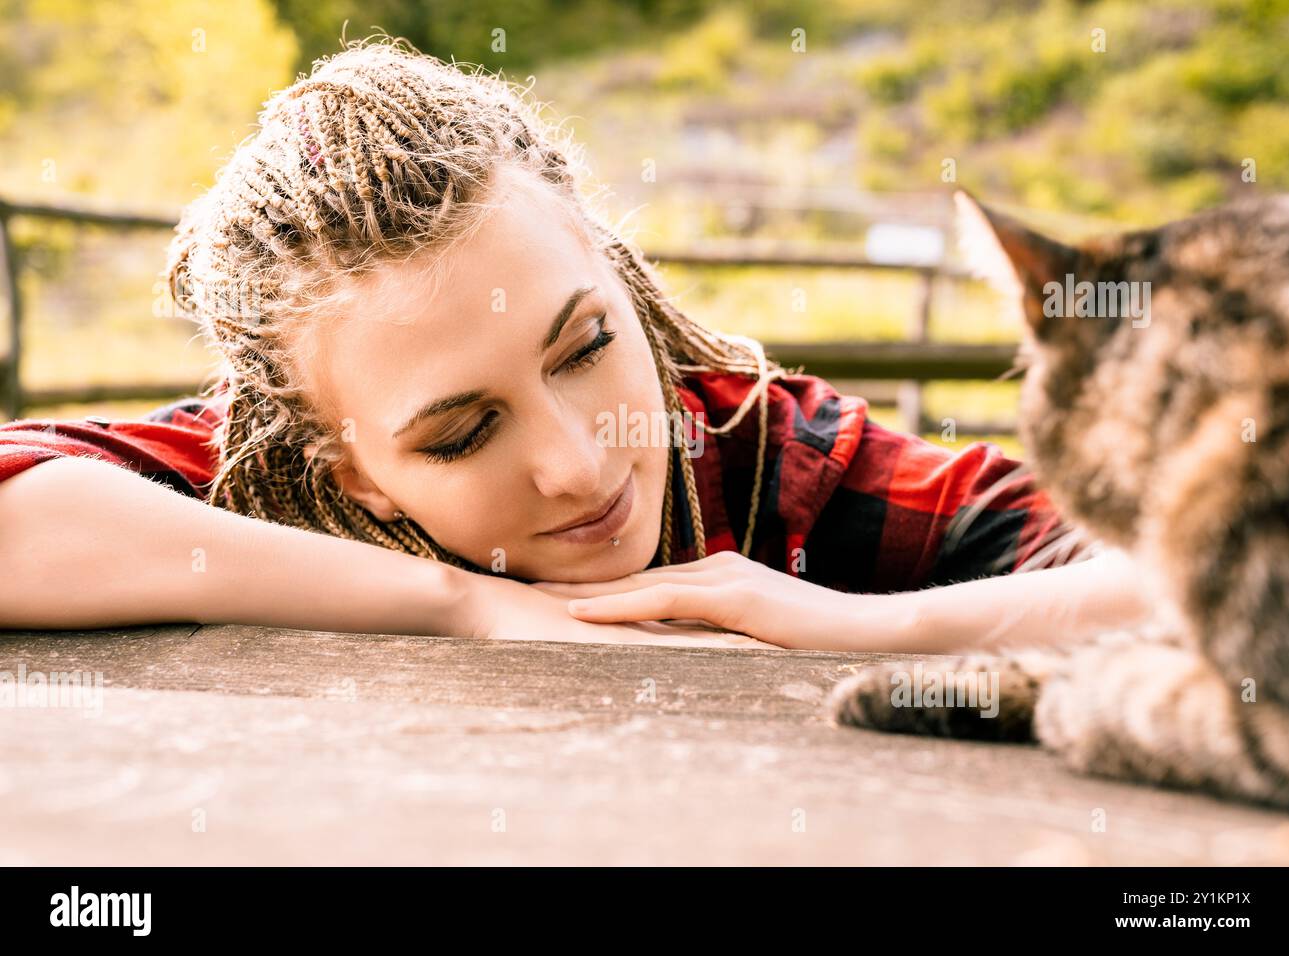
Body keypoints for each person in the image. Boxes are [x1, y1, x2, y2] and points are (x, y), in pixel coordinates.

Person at [0, 40, 1152, 650]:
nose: (581, 462)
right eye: (461, 433)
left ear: (623, 278)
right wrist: (457, 603)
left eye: (584, 346)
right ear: (351, 470)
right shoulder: (270, 487)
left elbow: (1183, 576)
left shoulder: (774, 455)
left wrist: (864, 622)